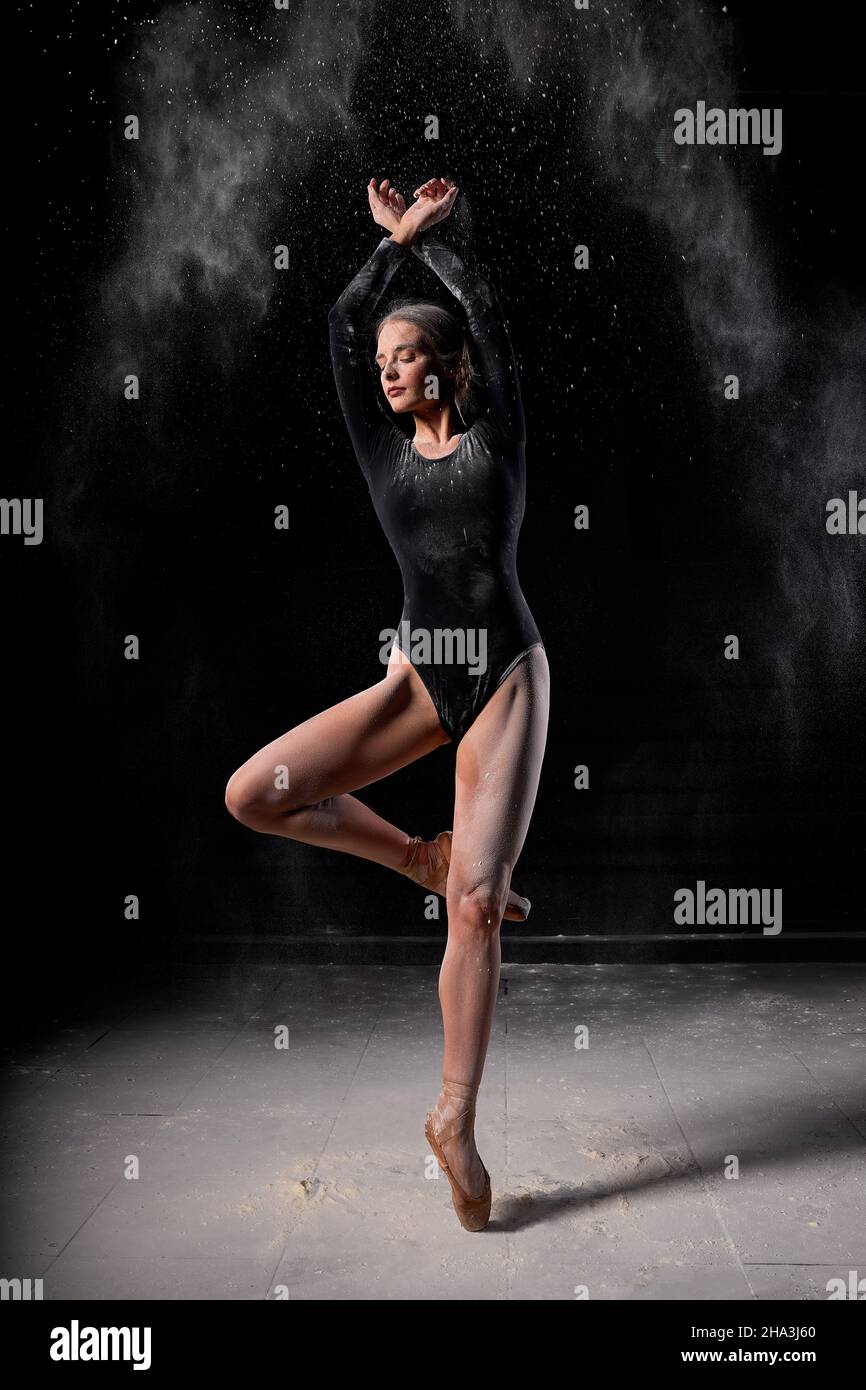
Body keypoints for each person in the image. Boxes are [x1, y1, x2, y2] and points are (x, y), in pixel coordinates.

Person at [225, 176, 550, 1230]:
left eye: (405, 354)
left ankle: (454, 1116)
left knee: (472, 907)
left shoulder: (497, 440)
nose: (386, 369)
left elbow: (492, 319)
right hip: (418, 676)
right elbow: (335, 323)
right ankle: (417, 851)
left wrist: (433, 252)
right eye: (380, 363)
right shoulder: (380, 452)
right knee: (256, 793)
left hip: (502, 675)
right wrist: (385, 251)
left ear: (446, 365)